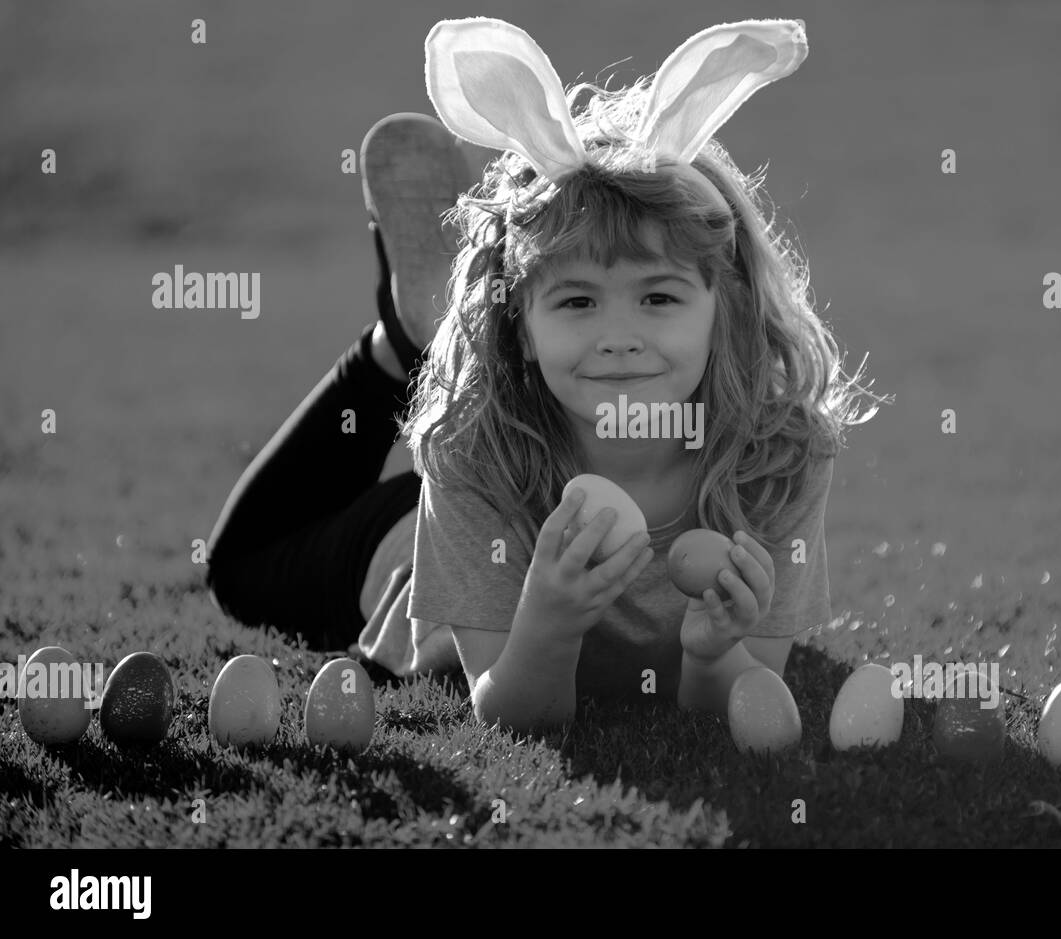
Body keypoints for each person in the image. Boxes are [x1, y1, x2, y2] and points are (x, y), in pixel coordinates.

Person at [207, 17, 889, 734]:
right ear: (520, 325)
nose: (619, 339)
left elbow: (727, 708)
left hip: (527, 419)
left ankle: (433, 328)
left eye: (658, 297)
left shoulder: (778, 454)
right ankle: (406, 341)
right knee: (240, 567)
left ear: (727, 306)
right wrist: (548, 622)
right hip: (431, 533)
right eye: (577, 300)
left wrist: (715, 654)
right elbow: (514, 714)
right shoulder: (472, 452)